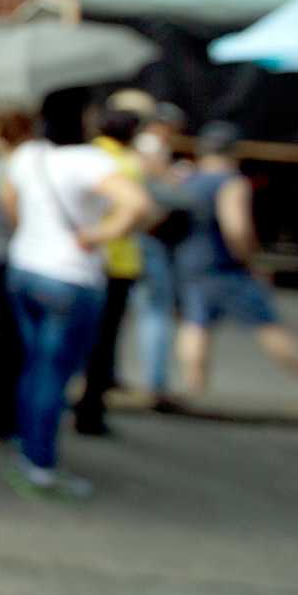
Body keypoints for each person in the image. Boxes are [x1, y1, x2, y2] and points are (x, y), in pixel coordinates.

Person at [0, 124, 152, 498]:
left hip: (25, 268)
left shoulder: (27, 156)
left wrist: (33, 231)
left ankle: (28, 445)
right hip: (70, 278)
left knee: (34, 364)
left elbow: (8, 200)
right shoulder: (91, 161)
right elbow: (138, 205)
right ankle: (40, 463)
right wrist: (98, 234)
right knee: (54, 372)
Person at [173, 123, 298, 408]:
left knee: (196, 324)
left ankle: (194, 386)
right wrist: (250, 260)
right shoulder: (231, 182)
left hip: (191, 261)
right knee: (268, 327)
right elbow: (236, 228)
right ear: (235, 150)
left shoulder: (188, 181)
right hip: (225, 266)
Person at [71, 107, 146, 437]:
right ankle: (90, 412)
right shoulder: (127, 165)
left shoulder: (81, 157)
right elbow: (138, 209)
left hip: (80, 259)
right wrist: (102, 235)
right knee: (103, 344)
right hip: (115, 263)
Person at [0, 106, 34, 443]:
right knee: (10, 335)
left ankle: (3, 408)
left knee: (6, 333)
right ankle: (3, 411)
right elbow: (11, 210)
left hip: (1, 253)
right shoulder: (9, 166)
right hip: (9, 254)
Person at [128, 101, 187, 402]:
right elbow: (161, 192)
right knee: (155, 310)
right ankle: (156, 382)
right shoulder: (151, 148)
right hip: (146, 238)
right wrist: (177, 180)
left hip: (129, 239)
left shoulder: (136, 147)